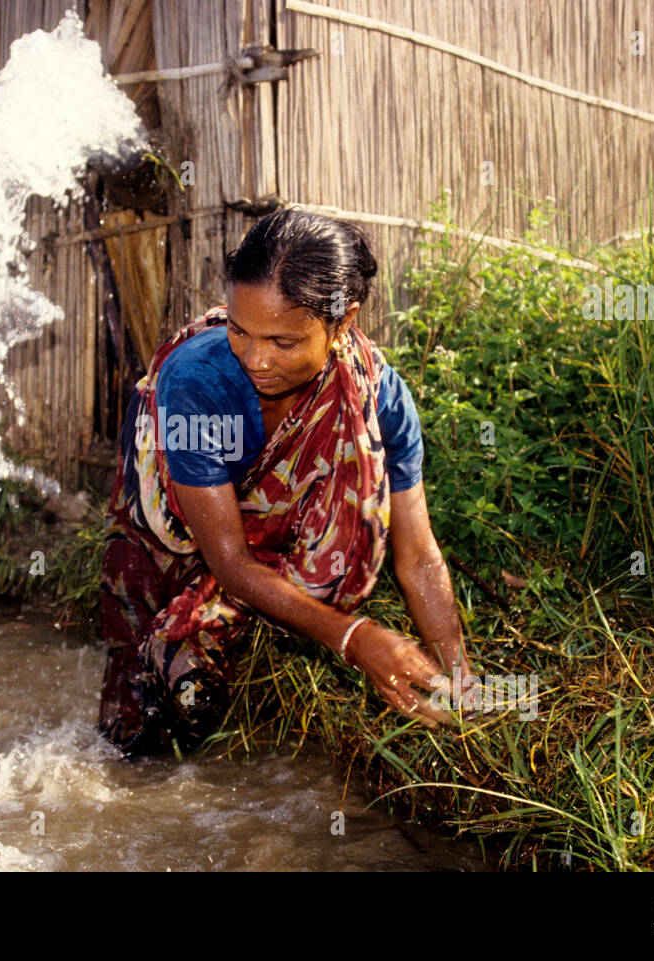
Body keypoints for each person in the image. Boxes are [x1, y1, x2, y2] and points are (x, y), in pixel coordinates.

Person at [98, 209, 473, 756]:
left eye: (283, 341)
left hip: (265, 563)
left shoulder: (377, 402)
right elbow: (228, 561)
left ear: (342, 323)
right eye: (239, 329)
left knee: (197, 701)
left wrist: (459, 680)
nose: (255, 358)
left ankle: (217, 643)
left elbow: (417, 557)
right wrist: (354, 637)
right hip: (171, 534)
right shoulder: (200, 383)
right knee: (135, 719)